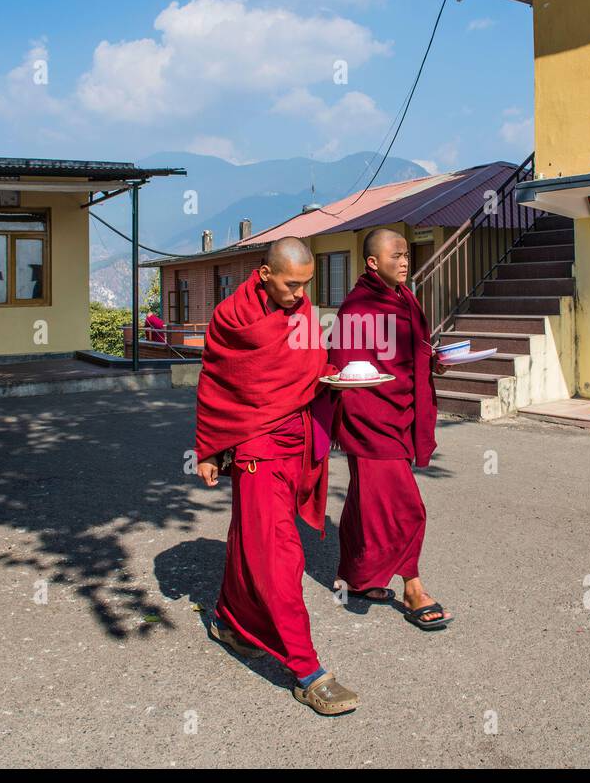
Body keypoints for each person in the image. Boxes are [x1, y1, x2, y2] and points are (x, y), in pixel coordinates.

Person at [194, 236, 359, 715]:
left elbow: (309, 366)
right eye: (291, 285)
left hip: (298, 440)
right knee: (278, 555)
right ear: (265, 274)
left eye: (306, 285)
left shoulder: (304, 310)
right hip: (256, 448)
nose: (299, 294)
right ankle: (307, 670)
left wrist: (336, 376)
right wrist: (209, 447)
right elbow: (220, 381)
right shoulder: (233, 317)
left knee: (252, 541)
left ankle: (229, 620)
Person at [328, 228, 452, 630]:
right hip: (370, 421)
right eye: (396, 255)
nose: (404, 261)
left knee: (365, 501)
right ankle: (413, 586)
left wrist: (433, 361)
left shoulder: (403, 297)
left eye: (406, 255)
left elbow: (407, 352)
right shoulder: (357, 308)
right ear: (372, 263)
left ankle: (357, 577)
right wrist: (361, 424)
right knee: (405, 507)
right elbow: (343, 368)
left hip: (401, 414)